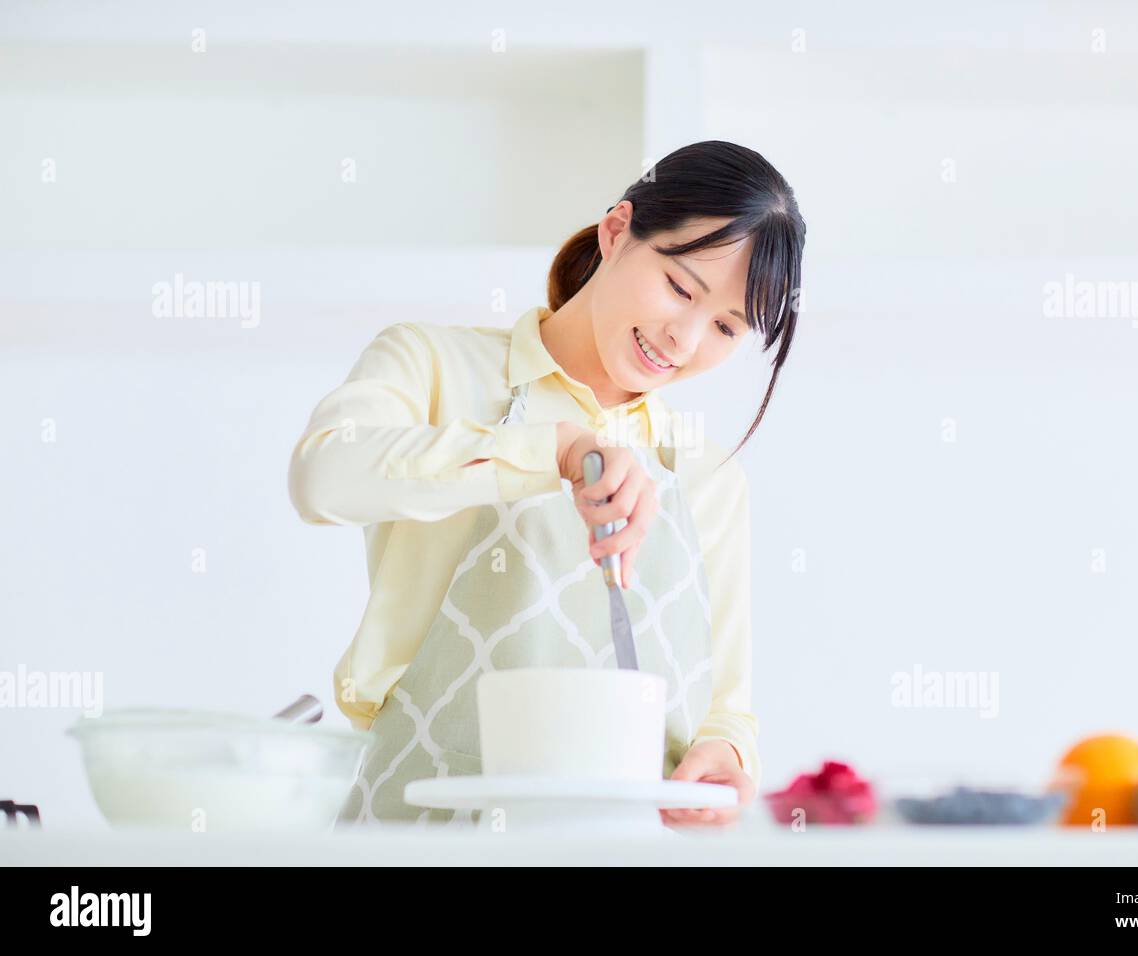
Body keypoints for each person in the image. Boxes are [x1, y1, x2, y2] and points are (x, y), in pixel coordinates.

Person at [288, 140, 805, 828]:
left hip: (615, 843)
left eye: (724, 327)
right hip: (418, 828)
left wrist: (722, 755)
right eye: (681, 288)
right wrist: (549, 450)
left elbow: (727, 707)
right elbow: (322, 478)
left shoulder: (705, 475)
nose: (683, 340)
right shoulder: (434, 365)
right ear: (617, 231)